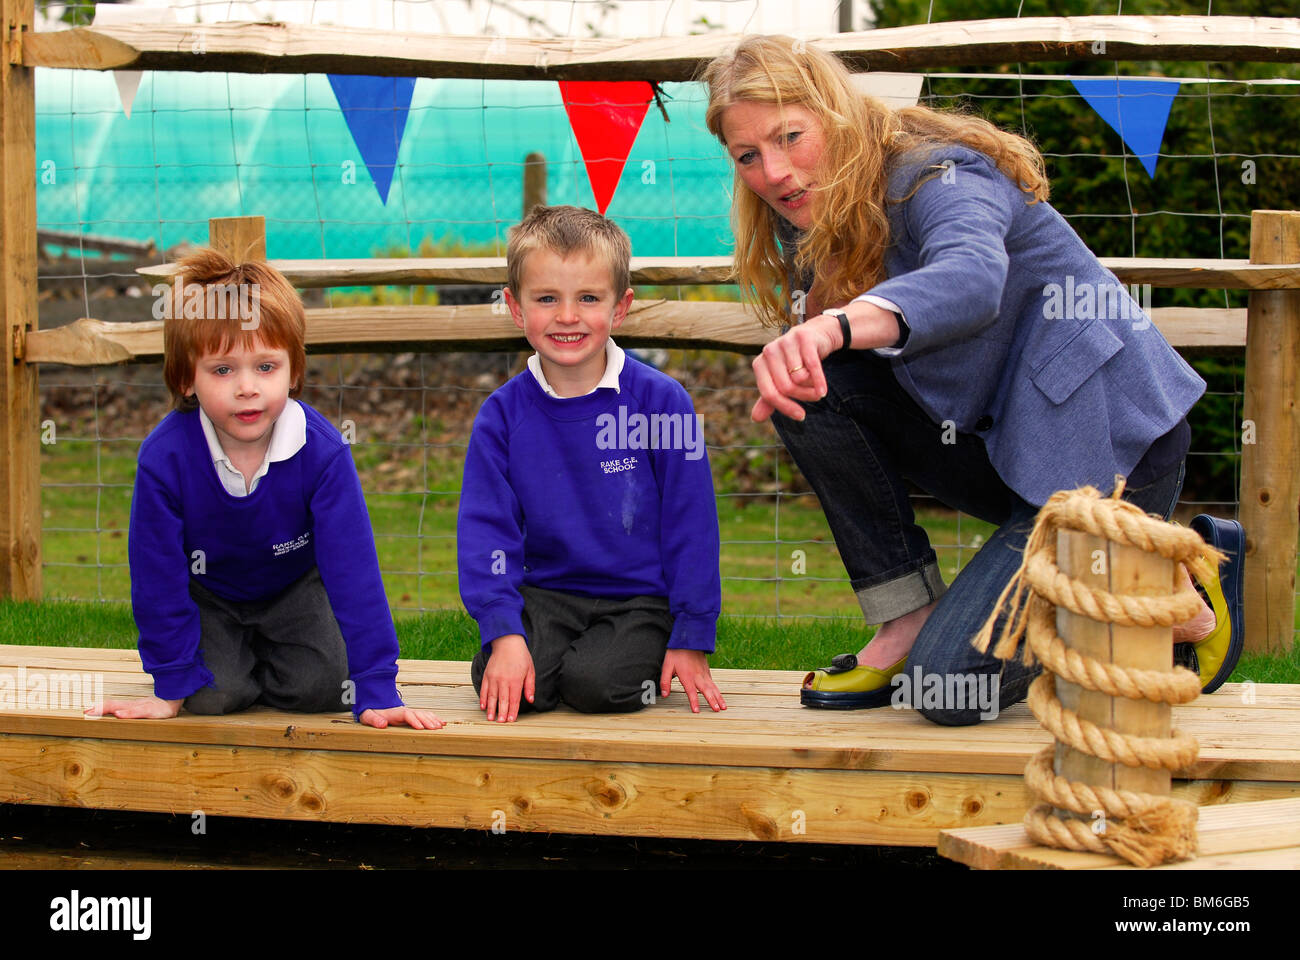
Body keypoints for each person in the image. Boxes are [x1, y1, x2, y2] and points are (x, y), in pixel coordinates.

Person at [700, 36, 1244, 722]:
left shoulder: (939, 174)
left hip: (1105, 447)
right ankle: (906, 614)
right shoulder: (814, 219)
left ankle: (1175, 587)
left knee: (947, 687)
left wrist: (833, 325)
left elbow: (971, 279)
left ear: (834, 113)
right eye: (748, 155)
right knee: (811, 387)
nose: (775, 172)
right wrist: (812, 338)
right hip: (1001, 450)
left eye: (791, 136)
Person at [87, 249, 442, 731]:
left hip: (294, 588)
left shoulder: (323, 453)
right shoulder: (164, 457)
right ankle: (232, 663)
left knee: (328, 688)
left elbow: (354, 569)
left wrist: (377, 687)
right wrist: (169, 687)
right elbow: (156, 576)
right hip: (209, 594)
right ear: (187, 378)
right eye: (223, 370)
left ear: (294, 371)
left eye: (266, 367)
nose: (247, 388)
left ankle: (263, 656)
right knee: (212, 695)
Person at [458, 204, 725, 722]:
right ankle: (536, 652)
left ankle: (618, 656)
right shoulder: (501, 416)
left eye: (588, 298)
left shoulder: (661, 402)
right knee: (503, 679)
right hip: (547, 594)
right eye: (546, 299)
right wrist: (504, 632)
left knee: (597, 684)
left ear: (620, 307)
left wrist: (691, 635)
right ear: (516, 309)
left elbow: (692, 523)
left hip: (639, 599)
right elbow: (486, 532)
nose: (567, 316)